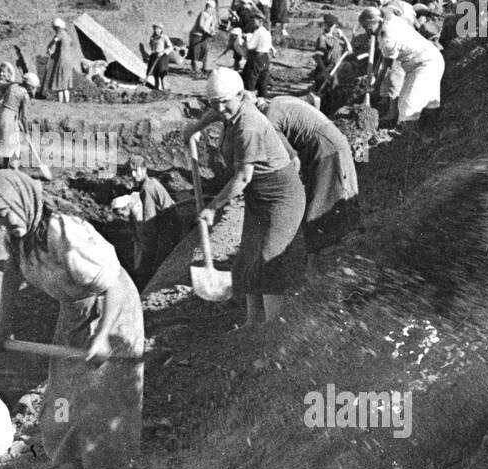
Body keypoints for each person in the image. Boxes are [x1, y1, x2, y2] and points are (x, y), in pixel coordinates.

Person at [0, 170, 145, 469]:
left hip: (112, 314)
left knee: (99, 413)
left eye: (4, 214)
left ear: (23, 201)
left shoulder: (63, 234)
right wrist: (4, 323)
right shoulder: (20, 239)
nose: (2, 223)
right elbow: (11, 271)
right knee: (61, 404)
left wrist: (103, 338)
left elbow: (115, 284)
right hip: (73, 313)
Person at [182, 69, 306, 329]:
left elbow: (242, 178)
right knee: (248, 256)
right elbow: (217, 110)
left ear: (239, 95)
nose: (220, 108)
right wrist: (195, 127)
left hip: (281, 196)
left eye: (224, 101)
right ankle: (252, 323)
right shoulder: (231, 105)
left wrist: (214, 208)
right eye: (214, 102)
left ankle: (272, 330)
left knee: (269, 259)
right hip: (259, 196)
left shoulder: (247, 125)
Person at [263, 97, 362, 253]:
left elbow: (293, 161)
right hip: (331, 143)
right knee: (336, 196)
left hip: (326, 149)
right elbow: (314, 100)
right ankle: (337, 248)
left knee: (320, 203)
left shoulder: (268, 121)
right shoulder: (277, 101)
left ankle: (320, 258)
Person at [360, 7, 444, 127]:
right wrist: (374, 74)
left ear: (373, 21)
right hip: (432, 59)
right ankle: (430, 137)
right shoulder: (388, 19)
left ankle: (406, 141)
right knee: (429, 104)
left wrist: (375, 85)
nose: (366, 31)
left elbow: (387, 65)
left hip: (424, 65)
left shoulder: (387, 38)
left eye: (366, 27)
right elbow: (386, 10)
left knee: (407, 106)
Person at [125, 156, 183, 282]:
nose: (134, 175)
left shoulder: (147, 188)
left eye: (137, 170)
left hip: (169, 231)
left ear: (144, 169)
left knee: (155, 265)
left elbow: (149, 221)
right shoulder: (150, 182)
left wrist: (146, 249)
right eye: (131, 172)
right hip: (171, 225)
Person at [0, 72, 40, 170]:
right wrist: (26, 131)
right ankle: (13, 168)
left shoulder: (13, 86)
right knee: (14, 144)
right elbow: (25, 117)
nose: (34, 90)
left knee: (8, 143)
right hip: (9, 117)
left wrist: (17, 120)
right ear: (29, 86)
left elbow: (7, 101)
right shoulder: (25, 95)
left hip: (1, 113)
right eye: (33, 87)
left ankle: (7, 166)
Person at [43, 17, 82, 103]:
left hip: (62, 60)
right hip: (69, 60)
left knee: (59, 82)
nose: (54, 29)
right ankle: (67, 101)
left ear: (57, 27)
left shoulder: (60, 34)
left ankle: (60, 102)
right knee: (65, 83)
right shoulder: (68, 35)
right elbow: (68, 45)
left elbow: (55, 40)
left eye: (55, 28)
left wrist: (50, 48)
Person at [241, 19, 274, 98]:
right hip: (265, 57)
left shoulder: (258, 32)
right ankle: (263, 101)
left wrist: (245, 41)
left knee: (251, 80)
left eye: (255, 21)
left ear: (261, 22)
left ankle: (250, 100)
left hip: (257, 57)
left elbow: (250, 46)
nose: (253, 23)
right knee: (263, 83)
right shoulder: (267, 32)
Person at [187, 0, 218, 75]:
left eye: (211, 7)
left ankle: (204, 67)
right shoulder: (203, 14)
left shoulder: (211, 16)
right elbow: (201, 25)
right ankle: (195, 68)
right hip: (196, 35)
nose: (209, 9)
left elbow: (212, 25)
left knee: (204, 50)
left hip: (204, 36)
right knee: (196, 51)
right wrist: (206, 31)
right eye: (208, 7)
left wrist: (212, 31)